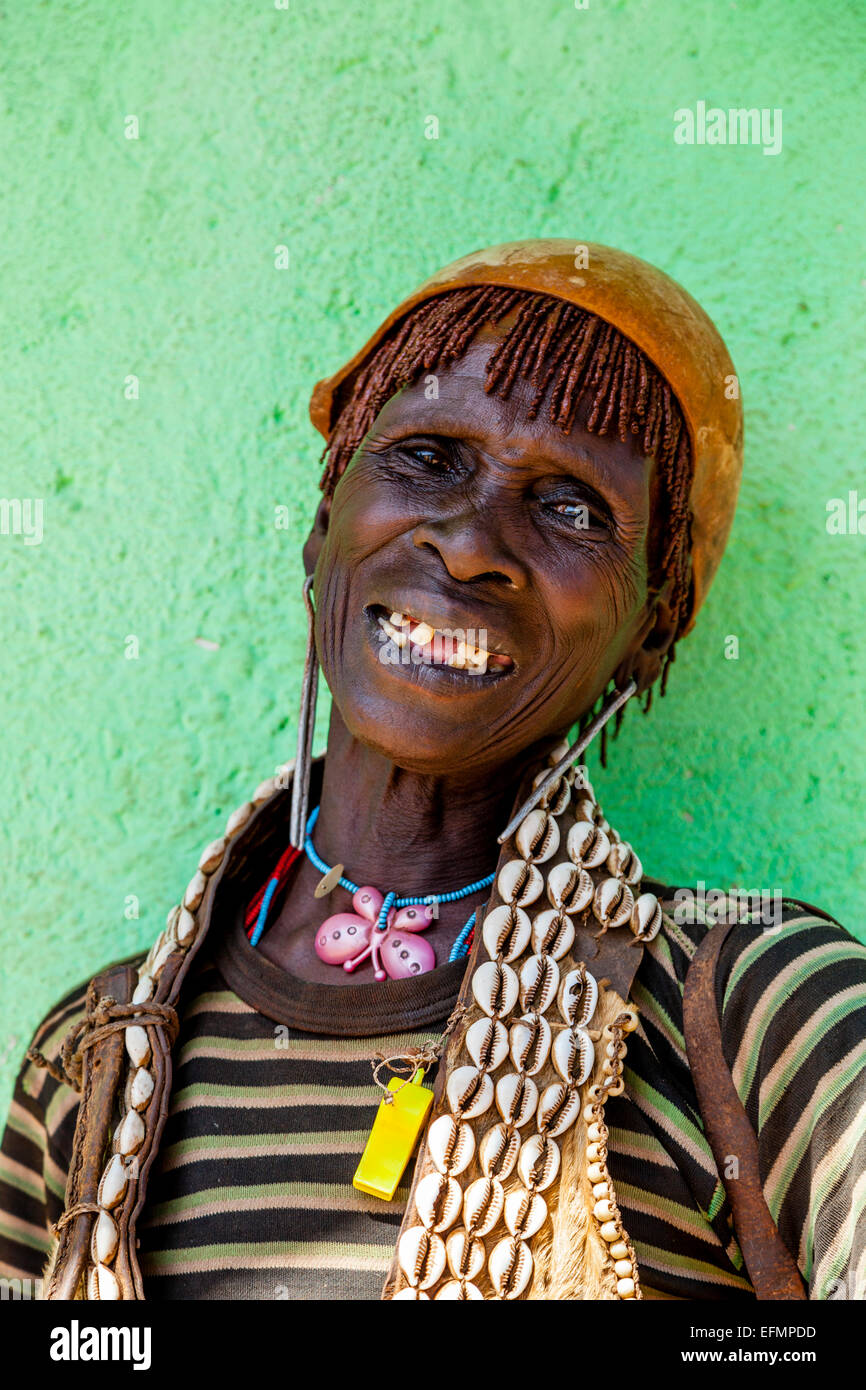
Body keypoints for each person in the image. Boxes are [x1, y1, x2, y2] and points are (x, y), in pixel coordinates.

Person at [1, 241, 863, 1302]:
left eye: (572, 507)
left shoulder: (755, 1004)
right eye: (428, 457)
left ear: (650, 631)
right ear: (323, 530)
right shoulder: (95, 1065)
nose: (467, 545)